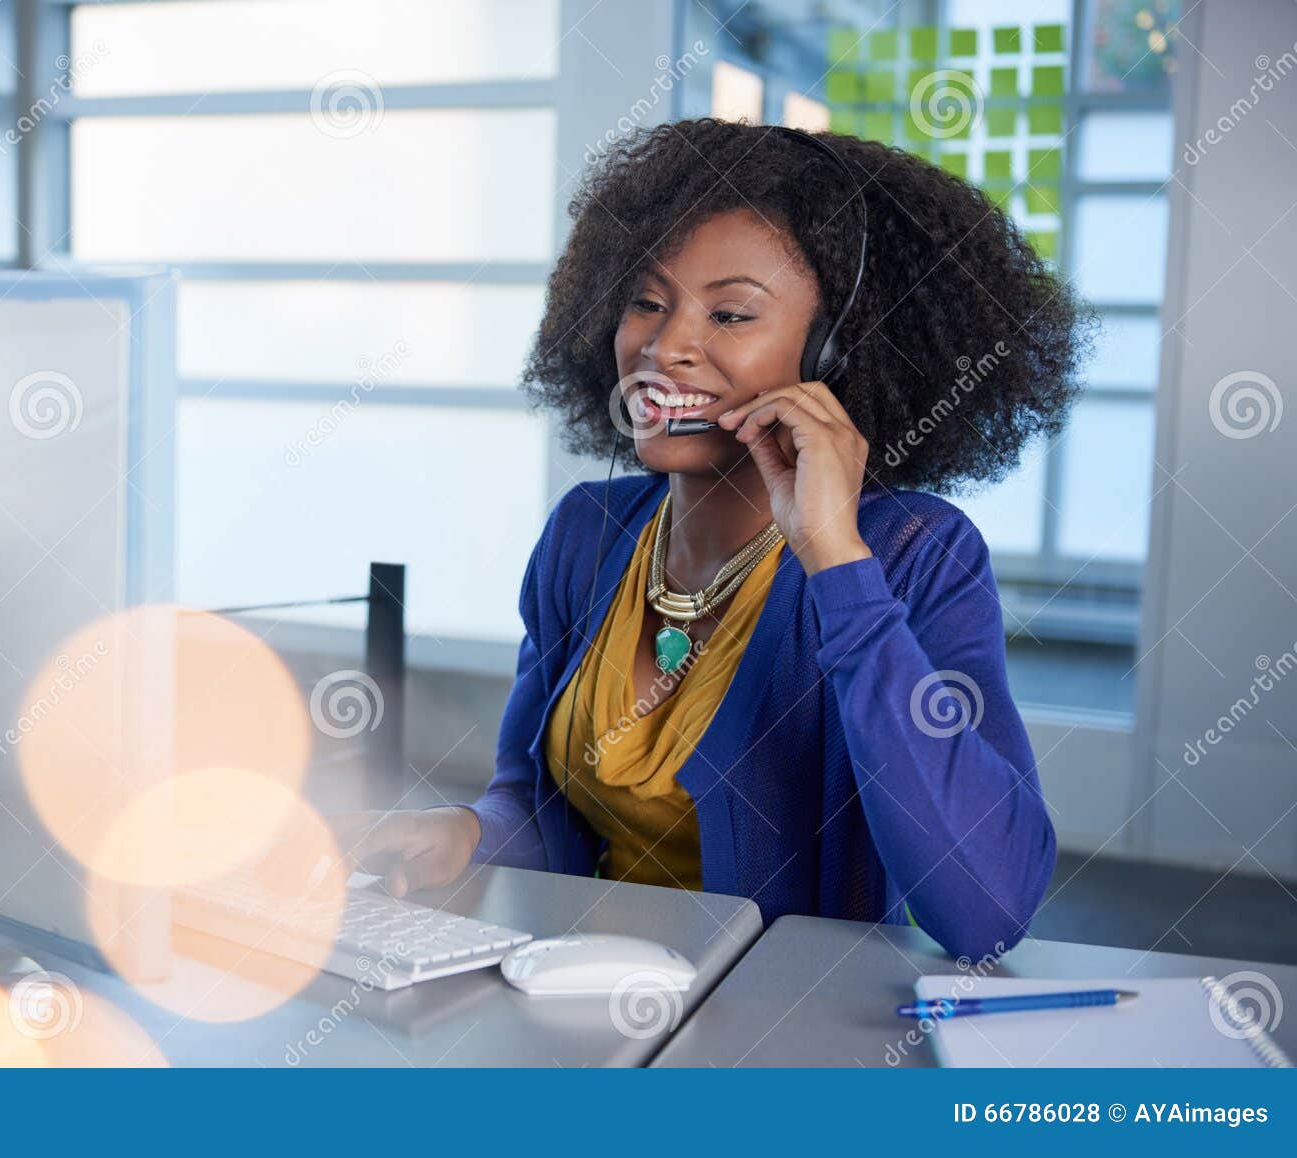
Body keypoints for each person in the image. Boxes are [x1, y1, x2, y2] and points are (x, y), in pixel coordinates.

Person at [335, 119, 1088, 960]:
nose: (664, 348)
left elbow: (987, 908)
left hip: (778, 1035)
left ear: (837, 354)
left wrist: (836, 557)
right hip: (578, 990)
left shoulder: (914, 554)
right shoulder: (589, 533)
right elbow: (541, 811)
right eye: (647, 302)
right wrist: (469, 832)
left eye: (730, 314)